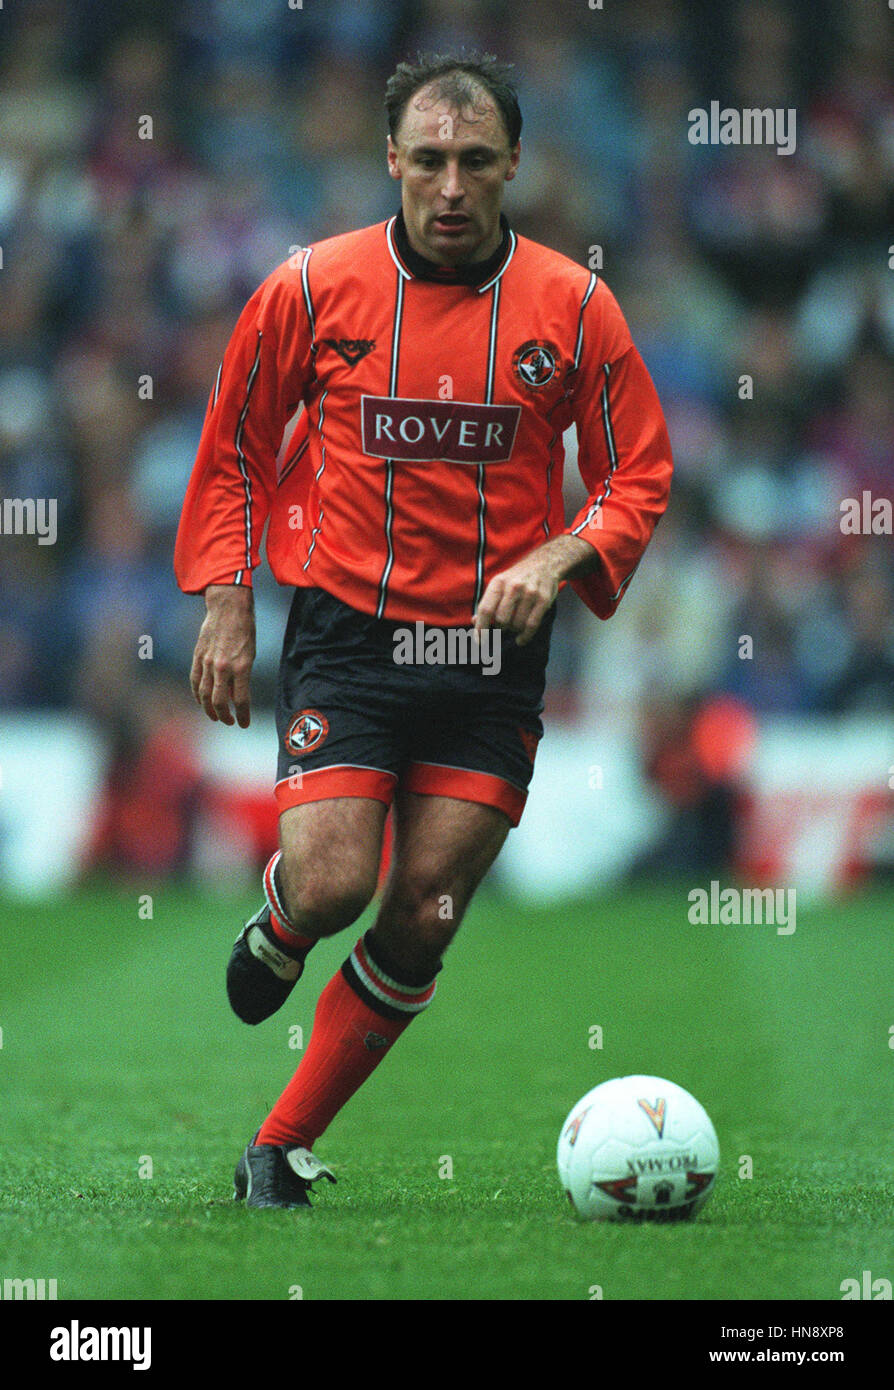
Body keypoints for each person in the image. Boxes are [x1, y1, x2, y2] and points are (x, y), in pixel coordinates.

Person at [175, 53, 673, 1209]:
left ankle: (280, 1144)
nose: (452, 186)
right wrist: (226, 596)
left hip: (493, 656)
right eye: (431, 160)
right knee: (341, 882)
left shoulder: (577, 307)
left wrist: (561, 553)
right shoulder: (309, 289)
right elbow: (240, 437)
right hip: (353, 634)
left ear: (514, 167)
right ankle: (289, 914)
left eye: (477, 162)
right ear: (391, 159)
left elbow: (637, 472)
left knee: (426, 908)